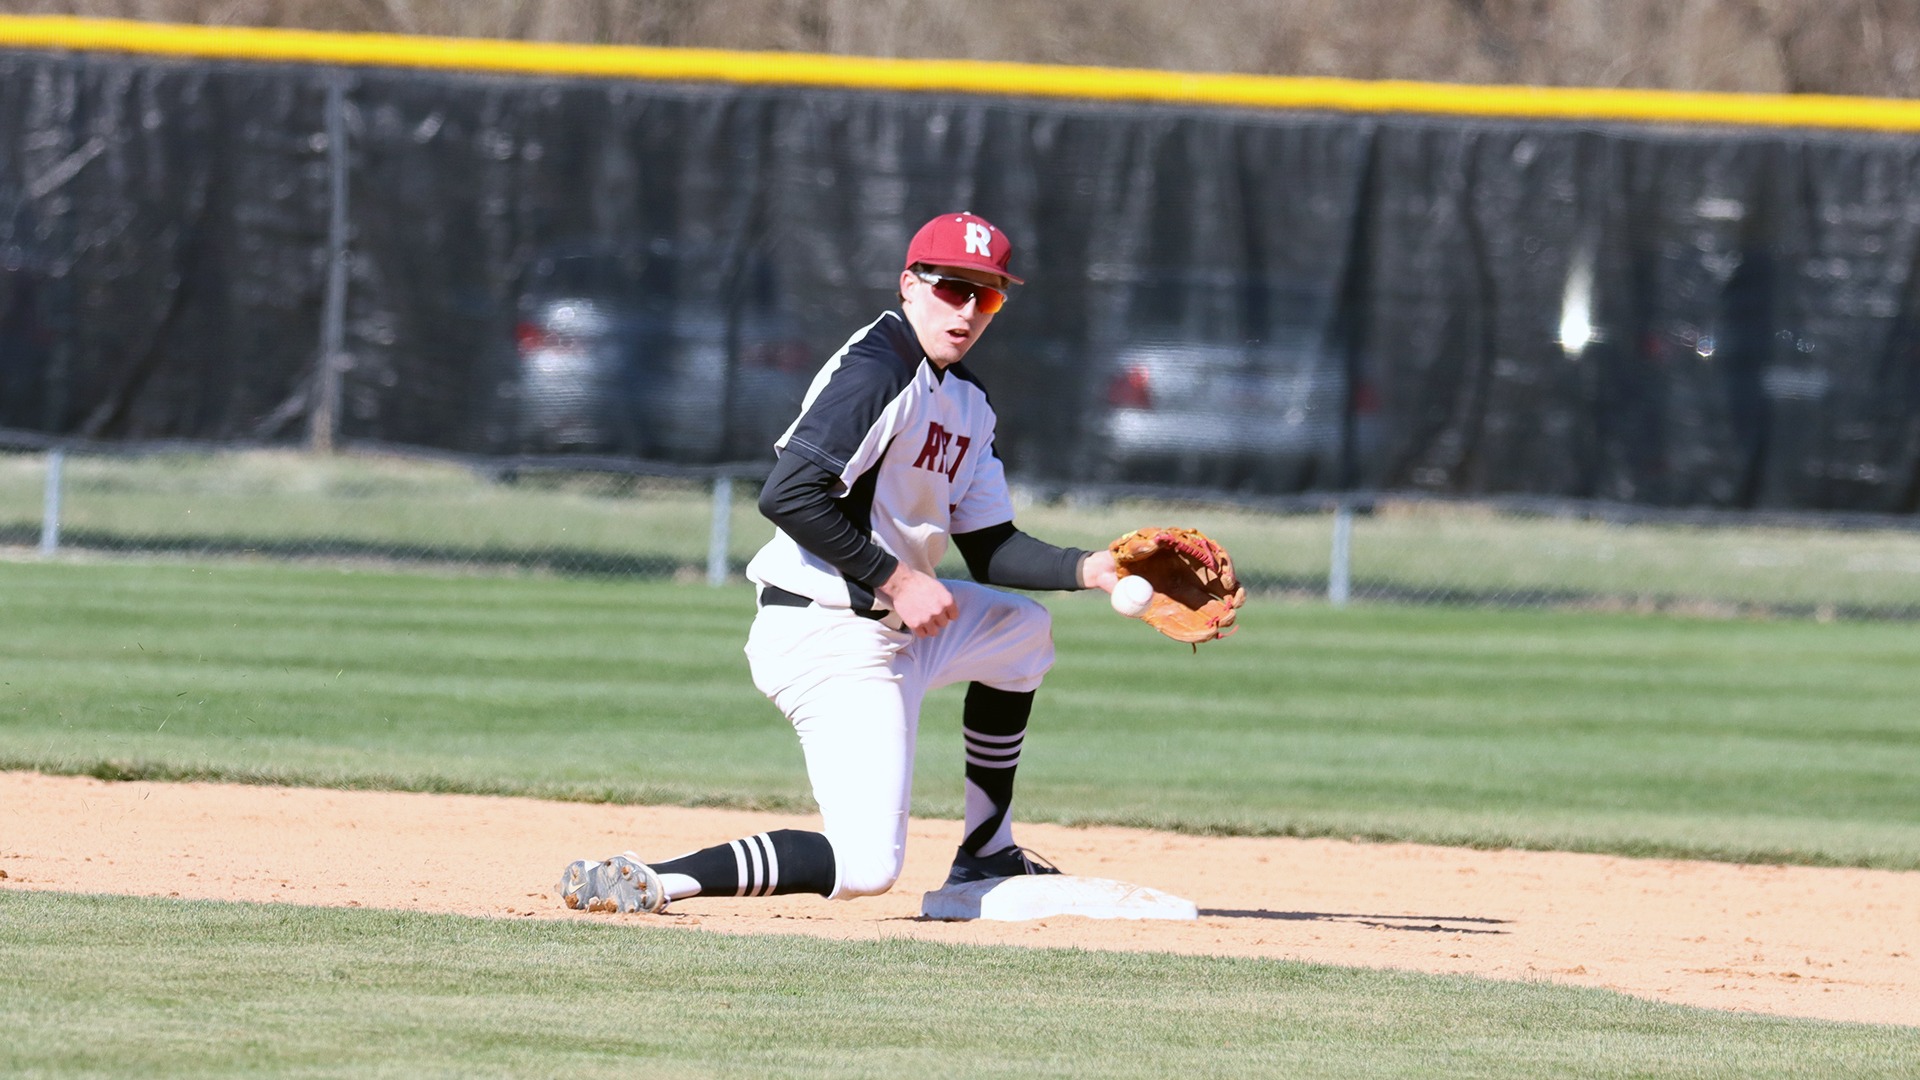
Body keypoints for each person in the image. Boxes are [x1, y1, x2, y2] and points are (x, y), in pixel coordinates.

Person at [560, 211, 1121, 913]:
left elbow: (990, 546)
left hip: (901, 624)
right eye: (953, 288)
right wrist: (899, 577)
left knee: (1023, 632)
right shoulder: (878, 370)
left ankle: (986, 852)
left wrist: (1096, 568)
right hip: (827, 634)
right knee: (865, 865)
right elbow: (788, 494)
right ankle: (653, 877)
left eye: (989, 295)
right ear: (910, 285)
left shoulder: (968, 401)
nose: (970, 309)